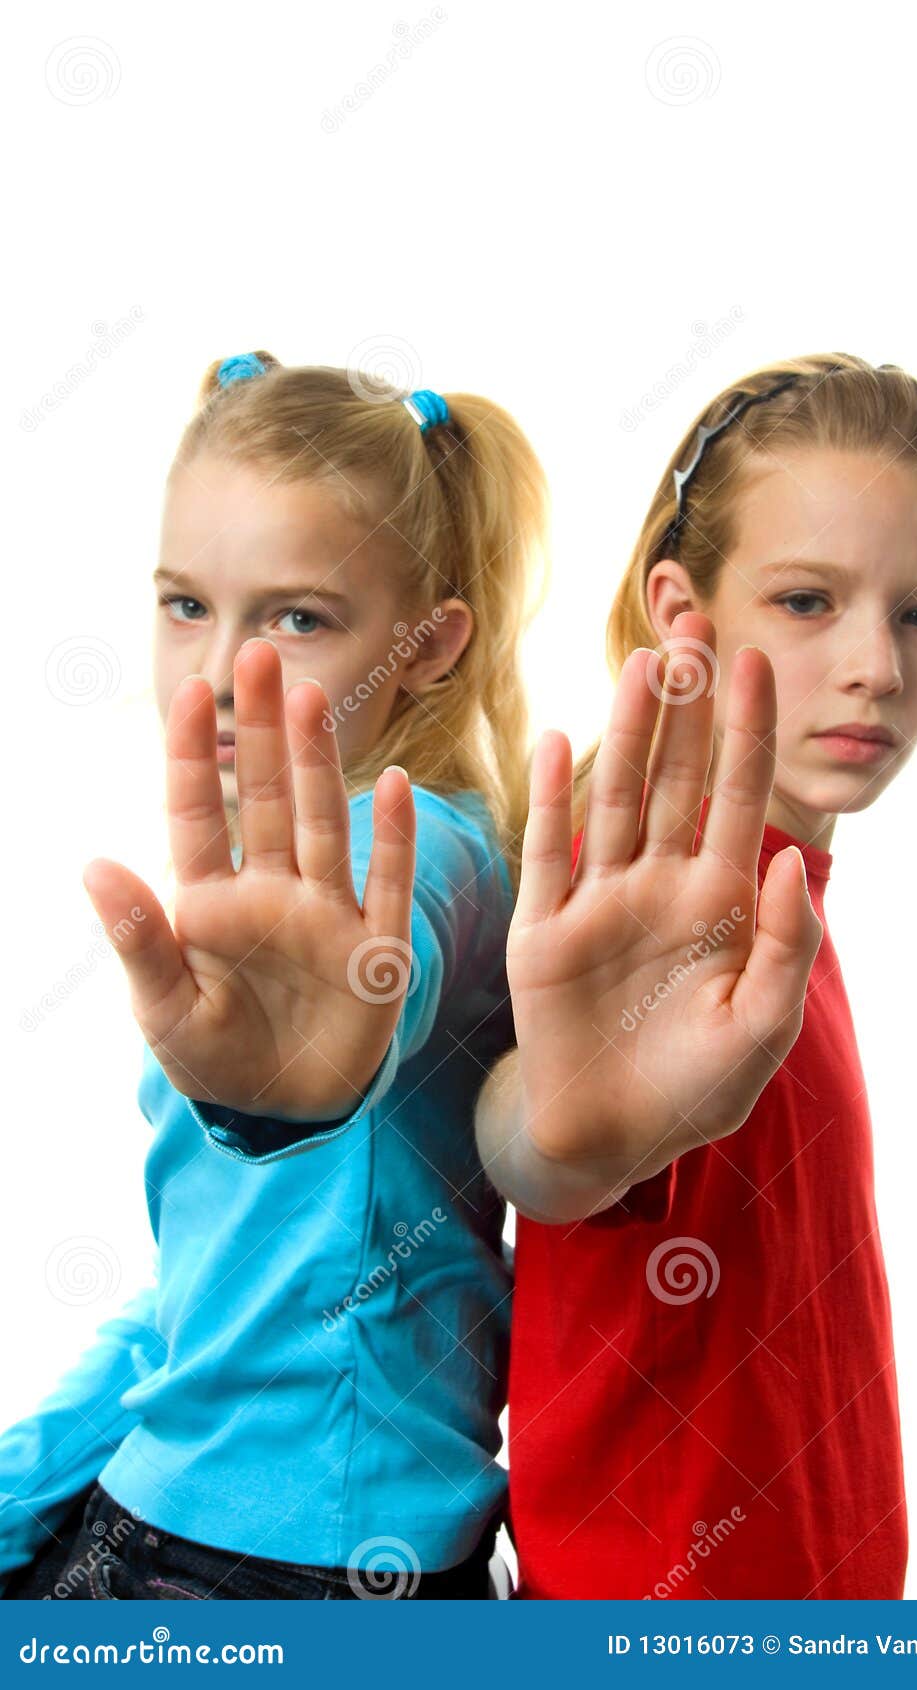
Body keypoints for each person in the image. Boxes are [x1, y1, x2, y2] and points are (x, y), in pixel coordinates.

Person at [0, 350, 548, 1600]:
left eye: (297, 619)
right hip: (210, 1509)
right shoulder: (275, 885)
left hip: (282, 1558)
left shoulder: (417, 852)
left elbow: (381, 976)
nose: (220, 671)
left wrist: (292, 1093)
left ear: (425, 645)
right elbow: (206, 1297)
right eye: (186, 605)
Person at [475, 353, 917, 1598]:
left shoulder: (788, 895)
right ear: (680, 615)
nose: (877, 665)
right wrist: (559, 1125)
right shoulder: (645, 905)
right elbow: (544, 1147)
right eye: (807, 600)